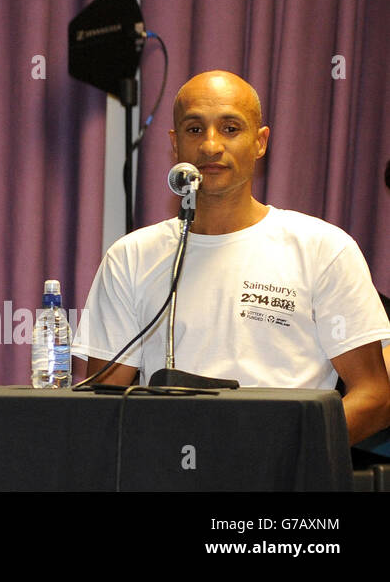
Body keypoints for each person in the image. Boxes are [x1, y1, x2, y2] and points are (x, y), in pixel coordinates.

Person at [74, 70, 390, 444]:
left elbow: (375, 398)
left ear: (260, 142)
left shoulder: (323, 248)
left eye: (229, 128)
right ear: (175, 145)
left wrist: (282, 455)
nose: (210, 146)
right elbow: (103, 406)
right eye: (194, 130)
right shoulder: (130, 257)